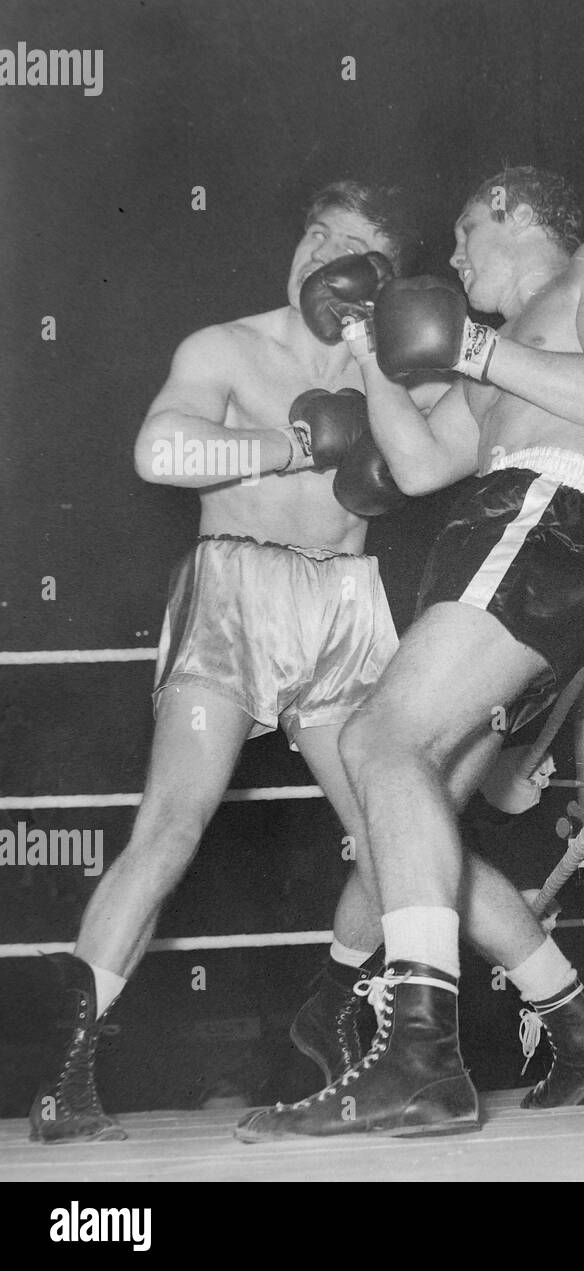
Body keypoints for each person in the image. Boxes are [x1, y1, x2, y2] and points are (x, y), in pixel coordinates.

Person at [236, 165, 584, 1140]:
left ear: (508, 209)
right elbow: (425, 463)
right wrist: (369, 352)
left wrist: (472, 345)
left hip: (544, 517)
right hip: (499, 534)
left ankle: (419, 1056)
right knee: (419, 785)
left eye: (465, 231)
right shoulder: (505, 352)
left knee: (380, 742)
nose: (455, 255)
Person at [29, 179, 423, 1143]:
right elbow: (158, 450)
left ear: (380, 276)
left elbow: (462, 450)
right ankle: (66, 1078)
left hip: (343, 603)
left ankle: (335, 997)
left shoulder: (402, 379)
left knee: (396, 834)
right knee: (170, 826)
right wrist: (288, 447)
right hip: (236, 592)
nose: (318, 252)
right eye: (314, 233)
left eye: (349, 243)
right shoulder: (225, 347)